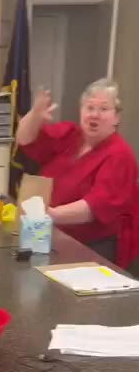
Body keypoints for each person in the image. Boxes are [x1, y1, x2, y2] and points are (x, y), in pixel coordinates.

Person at [16, 79, 138, 265]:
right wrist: (35, 115)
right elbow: (25, 140)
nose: (94, 115)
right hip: (50, 234)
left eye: (104, 109)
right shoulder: (71, 135)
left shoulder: (120, 155)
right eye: (89, 108)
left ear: (116, 117)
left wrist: (51, 214)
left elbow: (94, 207)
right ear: (81, 111)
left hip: (92, 246)